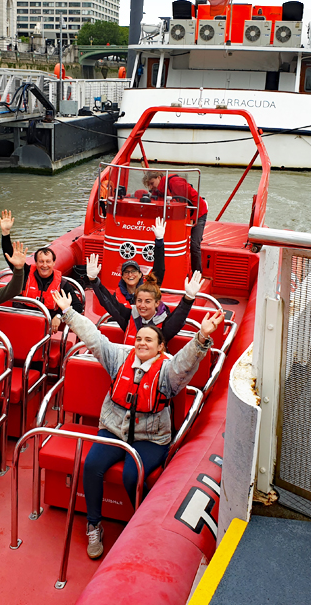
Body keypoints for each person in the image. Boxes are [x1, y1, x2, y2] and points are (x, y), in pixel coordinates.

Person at [52, 289, 224, 559]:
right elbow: (94, 338)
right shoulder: (118, 358)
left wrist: (201, 337)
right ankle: (94, 524)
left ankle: (142, 528)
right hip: (113, 429)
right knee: (92, 465)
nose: (142, 343)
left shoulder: (168, 371)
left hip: (150, 438)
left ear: (160, 347)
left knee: (133, 475)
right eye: (139, 339)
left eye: (149, 340)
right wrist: (69, 313)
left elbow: (185, 363)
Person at [87, 253, 202, 347]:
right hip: (129, 363)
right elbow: (108, 303)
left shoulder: (165, 324)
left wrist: (188, 298)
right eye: (139, 301)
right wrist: (94, 280)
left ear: (157, 303)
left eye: (147, 301)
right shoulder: (129, 316)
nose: (142, 305)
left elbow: (179, 317)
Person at [0, 210, 83, 331]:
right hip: (21, 323)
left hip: (44, 329)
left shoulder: (62, 284)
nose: (44, 265)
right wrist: (5, 233)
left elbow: (77, 306)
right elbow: (9, 255)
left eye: (48, 261)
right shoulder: (25, 274)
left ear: (54, 263)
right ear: (36, 263)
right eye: (41, 261)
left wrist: (60, 316)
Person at [141, 170, 209, 274]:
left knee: (194, 245)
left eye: (152, 183)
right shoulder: (158, 190)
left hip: (198, 213)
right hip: (181, 216)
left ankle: (197, 274)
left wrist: (193, 219)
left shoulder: (175, 183)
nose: (150, 187)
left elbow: (196, 200)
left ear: (159, 178)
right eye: (148, 185)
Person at [113, 217, 166, 307]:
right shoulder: (116, 296)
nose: (130, 275)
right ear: (122, 277)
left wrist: (159, 241)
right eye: (126, 272)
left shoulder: (149, 289)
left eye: (133, 271)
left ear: (140, 275)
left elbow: (159, 269)